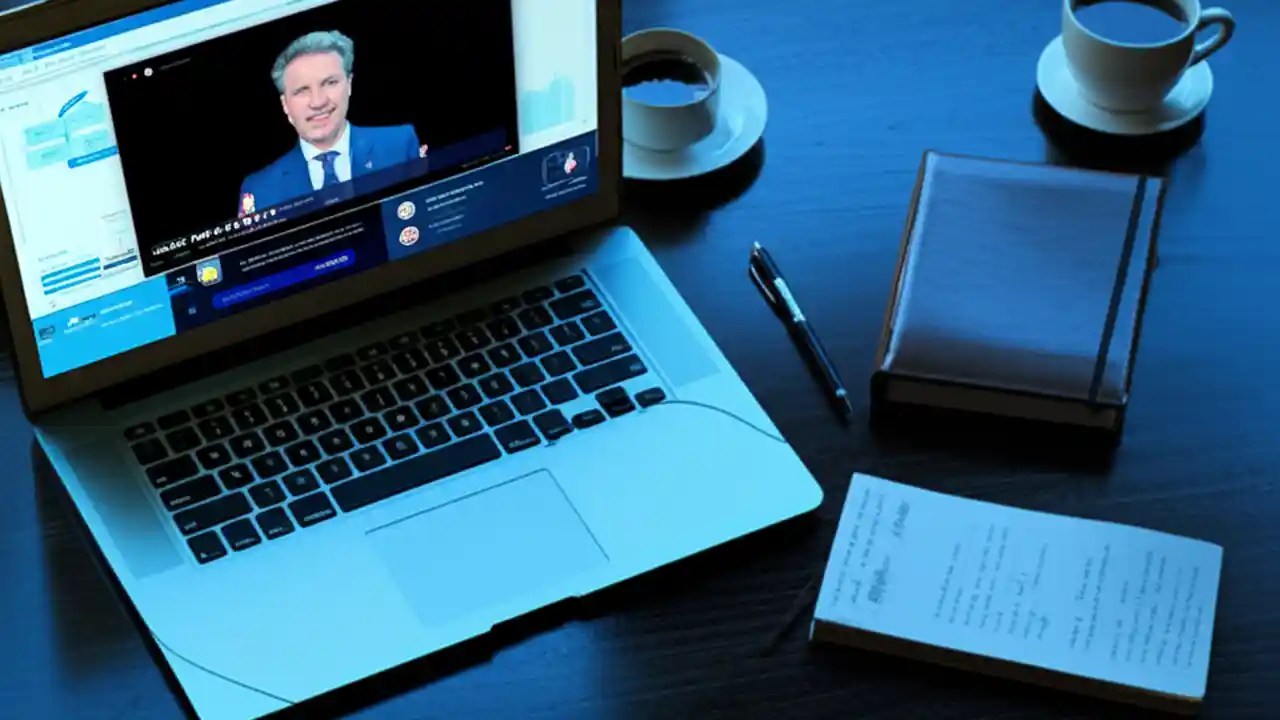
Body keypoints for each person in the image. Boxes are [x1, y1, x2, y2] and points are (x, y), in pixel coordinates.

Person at [237, 30, 424, 215]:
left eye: (330, 83)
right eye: (302, 90)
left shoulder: (399, 145)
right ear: (285, 104)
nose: (318, 102)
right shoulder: (260, 191)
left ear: (349, 84)